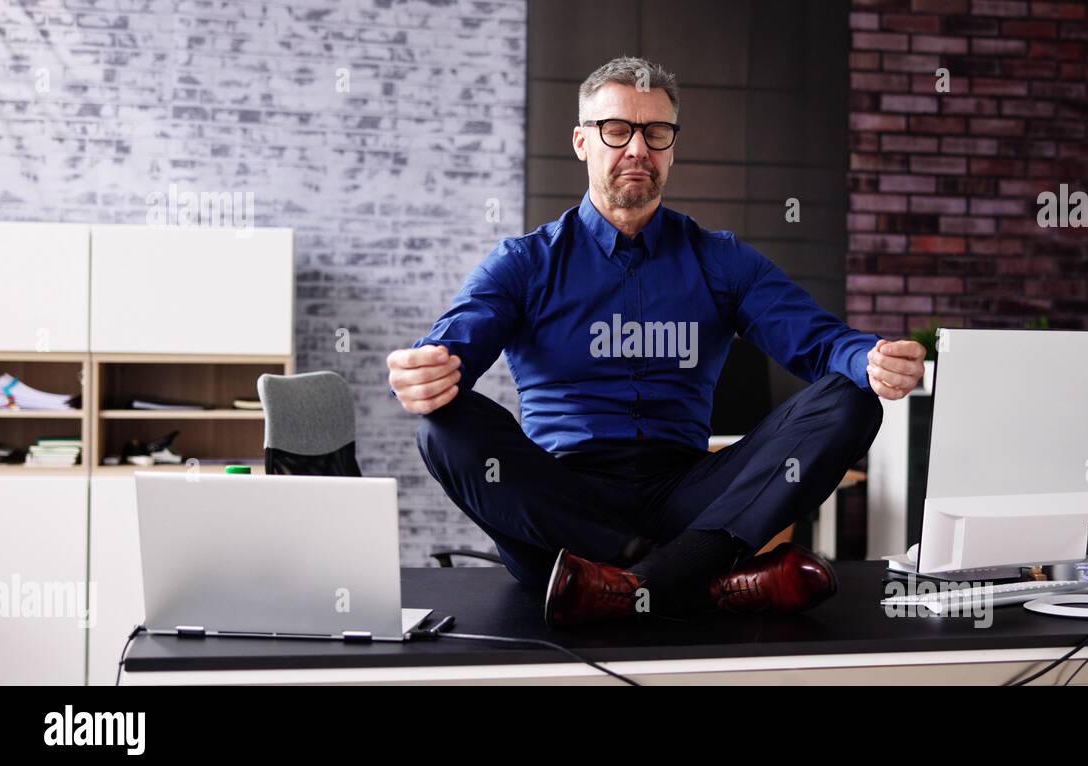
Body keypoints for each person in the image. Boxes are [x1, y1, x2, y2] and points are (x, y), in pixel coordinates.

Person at [388, 56, 926, 627]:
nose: (637, 149)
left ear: (671, 145)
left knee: (850, 398)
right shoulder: (523, 263)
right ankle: (696, 580)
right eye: (616, 130)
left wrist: (870, 359)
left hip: (690, 499)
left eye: (656, 132)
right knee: (443, 426)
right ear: (581, 141)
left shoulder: (722, 260)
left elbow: (820, 344)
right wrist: (428, 370)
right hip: (564, 513)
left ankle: (640, 583)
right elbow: (454, 348)